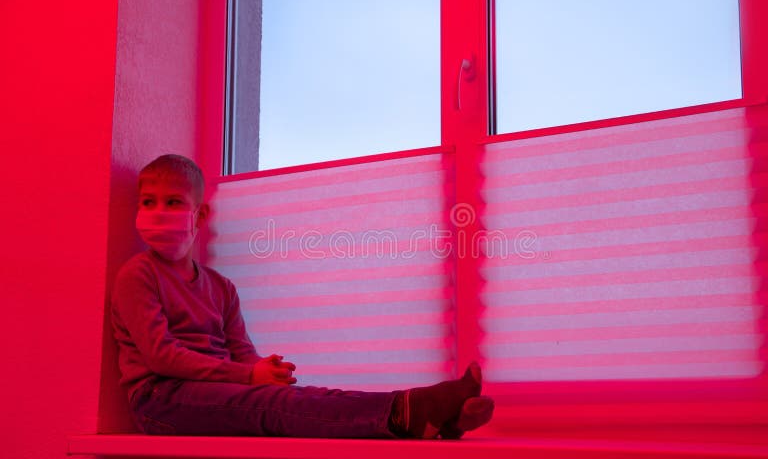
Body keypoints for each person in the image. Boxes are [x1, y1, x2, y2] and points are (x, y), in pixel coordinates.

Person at [111, 154, 494, 438]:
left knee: (303, 396)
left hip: (214, 392)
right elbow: (162, 356)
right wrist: (249, 376)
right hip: (160, 400)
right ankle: (412, 412)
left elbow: (241, 351)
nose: (158, 212)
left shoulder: (221, 287)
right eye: (148, 202)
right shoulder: (138, 275)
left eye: (173, 202)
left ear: (200, 214)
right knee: (273, 406)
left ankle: (438, 420)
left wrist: (265, 370)